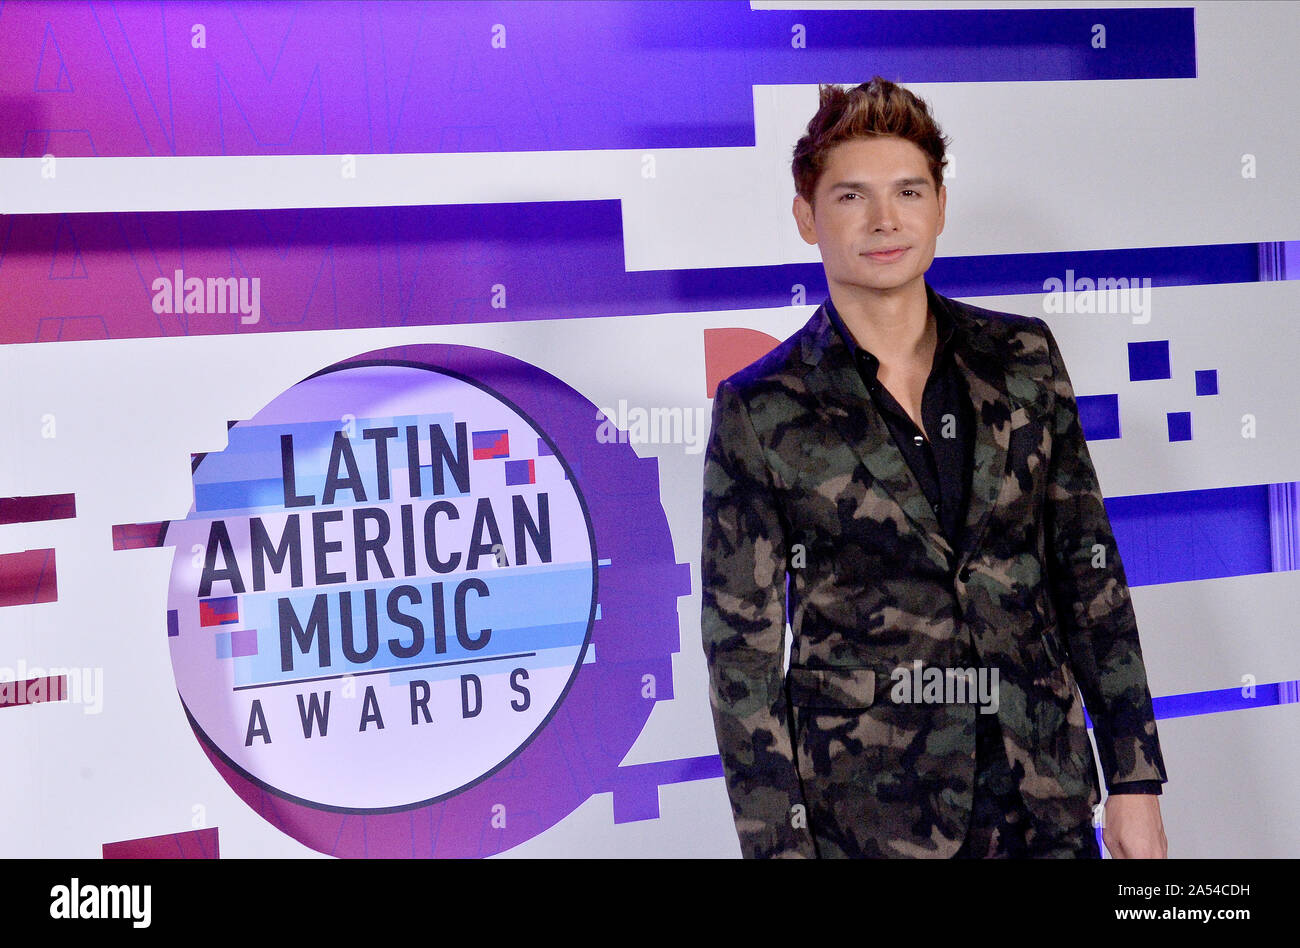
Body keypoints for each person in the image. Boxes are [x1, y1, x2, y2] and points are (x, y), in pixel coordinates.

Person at [699, 77, 1168, 858]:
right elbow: (741, 659)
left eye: (908, 191)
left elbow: (1090, 577)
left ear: (940, 206)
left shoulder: (1023, 360)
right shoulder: (760, 407)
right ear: (806, 217)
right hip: (871, 824)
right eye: (851, 197)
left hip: (1043, 800)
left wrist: (1135, 782)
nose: (885, 220)